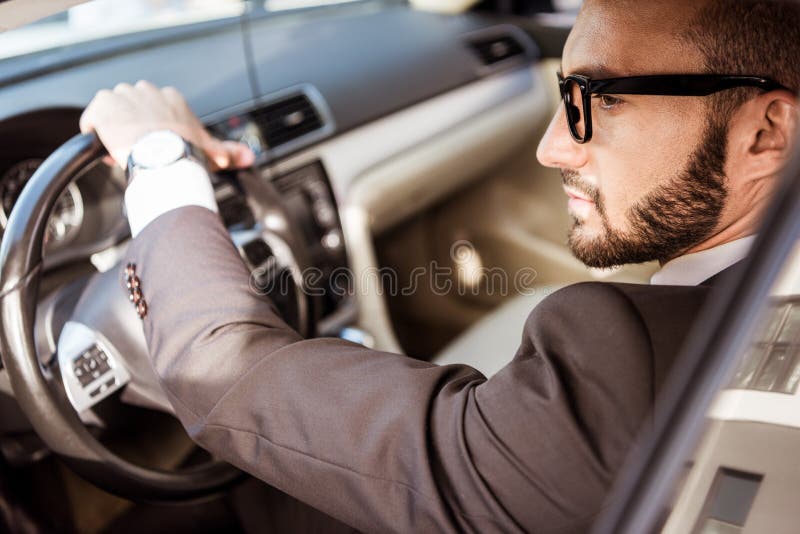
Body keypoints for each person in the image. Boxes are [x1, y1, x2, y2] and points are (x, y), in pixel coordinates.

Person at [80, 0, 799, 531]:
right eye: (563, 96)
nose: (553, 147)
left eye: (601, 99)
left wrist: (161, 163)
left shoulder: (627, 363)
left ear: (766, 133)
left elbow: (217, 370)